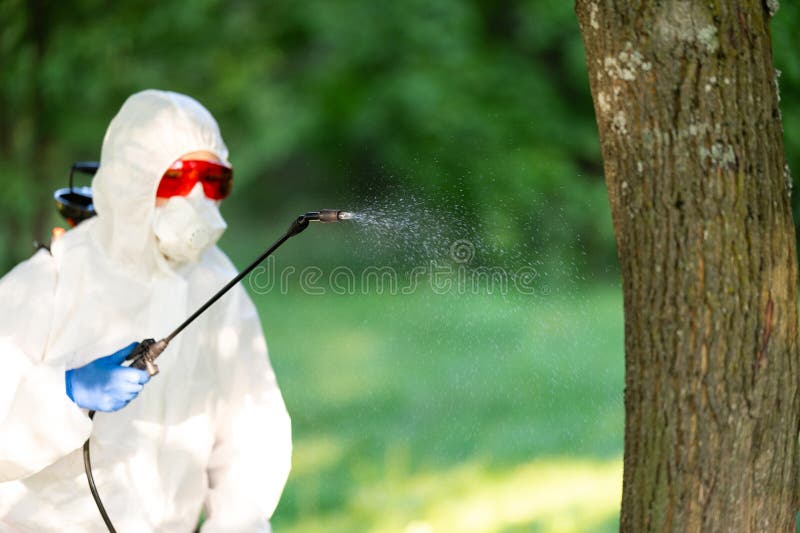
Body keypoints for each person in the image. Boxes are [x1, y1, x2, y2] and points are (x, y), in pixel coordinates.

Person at [0, 90, 292, 531]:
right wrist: (64, 395)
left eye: (212, 181)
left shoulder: (216, 280)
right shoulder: (51, 280)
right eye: (177, 178)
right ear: (132, 179)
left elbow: (252, 428)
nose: (196, 198)